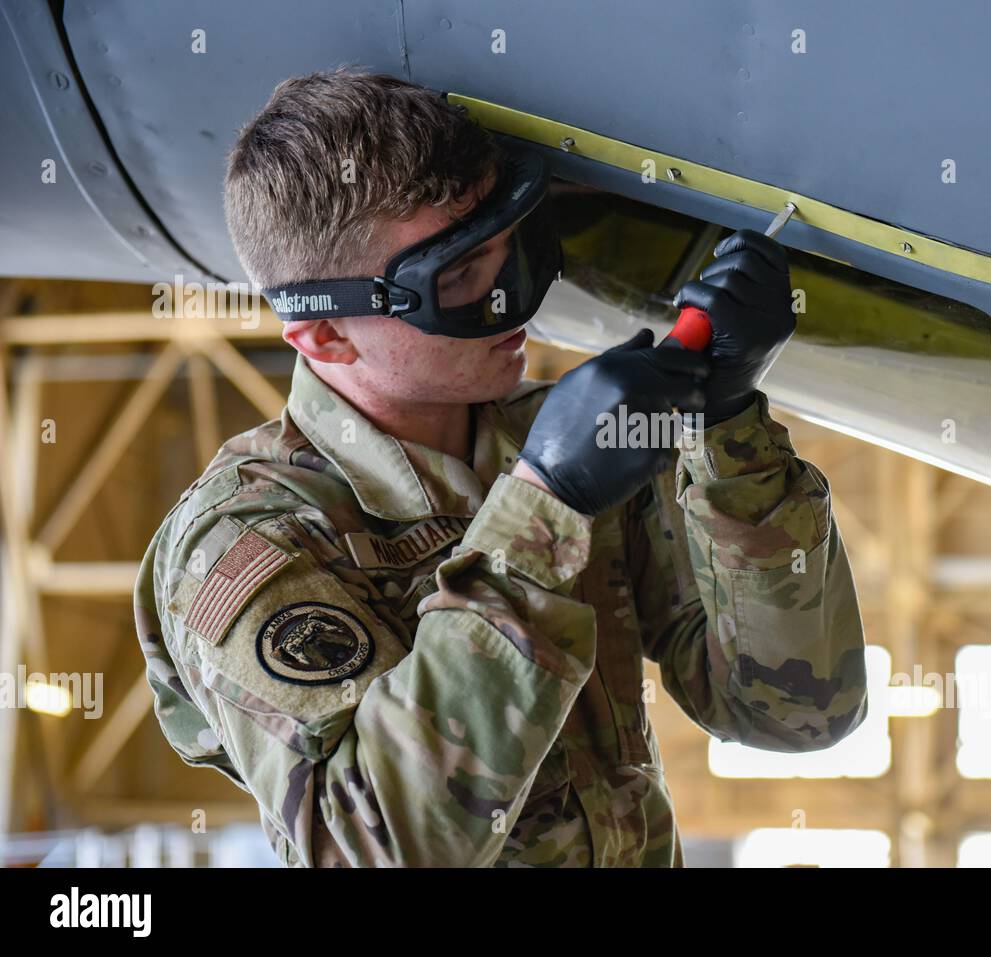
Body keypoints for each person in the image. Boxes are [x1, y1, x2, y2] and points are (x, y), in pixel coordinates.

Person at [133, 69, 868, 867]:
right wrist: (544, 509)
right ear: (327, 339)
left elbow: (798, 709)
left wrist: (727, 431)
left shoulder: (549, 441)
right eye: (457, 280)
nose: (511, 296)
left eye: (506, 248)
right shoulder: (246, 540)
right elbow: (368, 850)